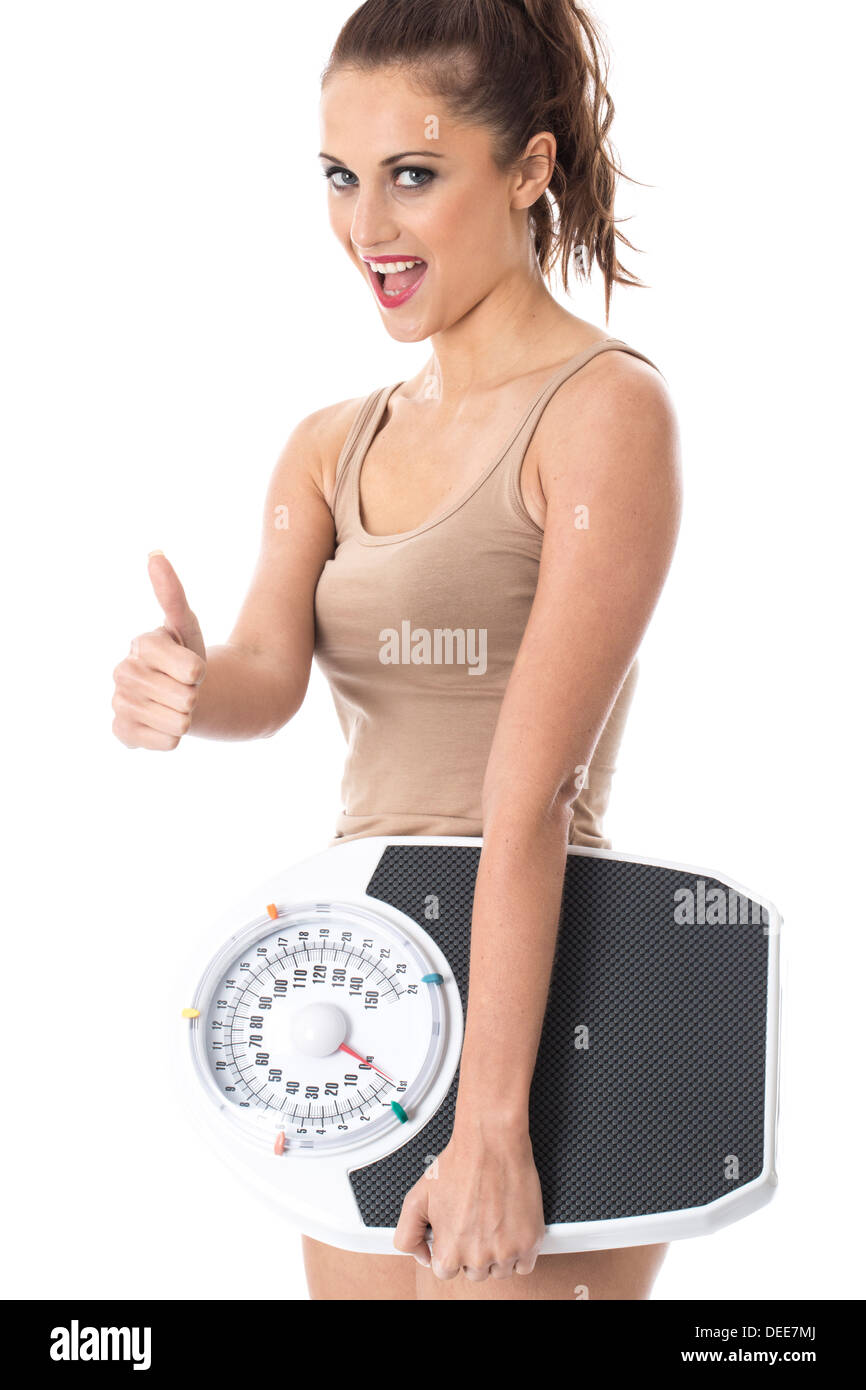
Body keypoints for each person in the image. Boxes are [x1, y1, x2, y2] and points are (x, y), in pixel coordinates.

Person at [111, 0, 682, 1300]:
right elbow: (268, 668)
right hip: (366, 973)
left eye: (411, 176)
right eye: (339, 178)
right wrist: (194, 686)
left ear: (527, 170)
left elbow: (529, 788)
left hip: (558, 982)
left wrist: (493, 1124)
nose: (365, 228)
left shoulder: (603, 413)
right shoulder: (328, 442)